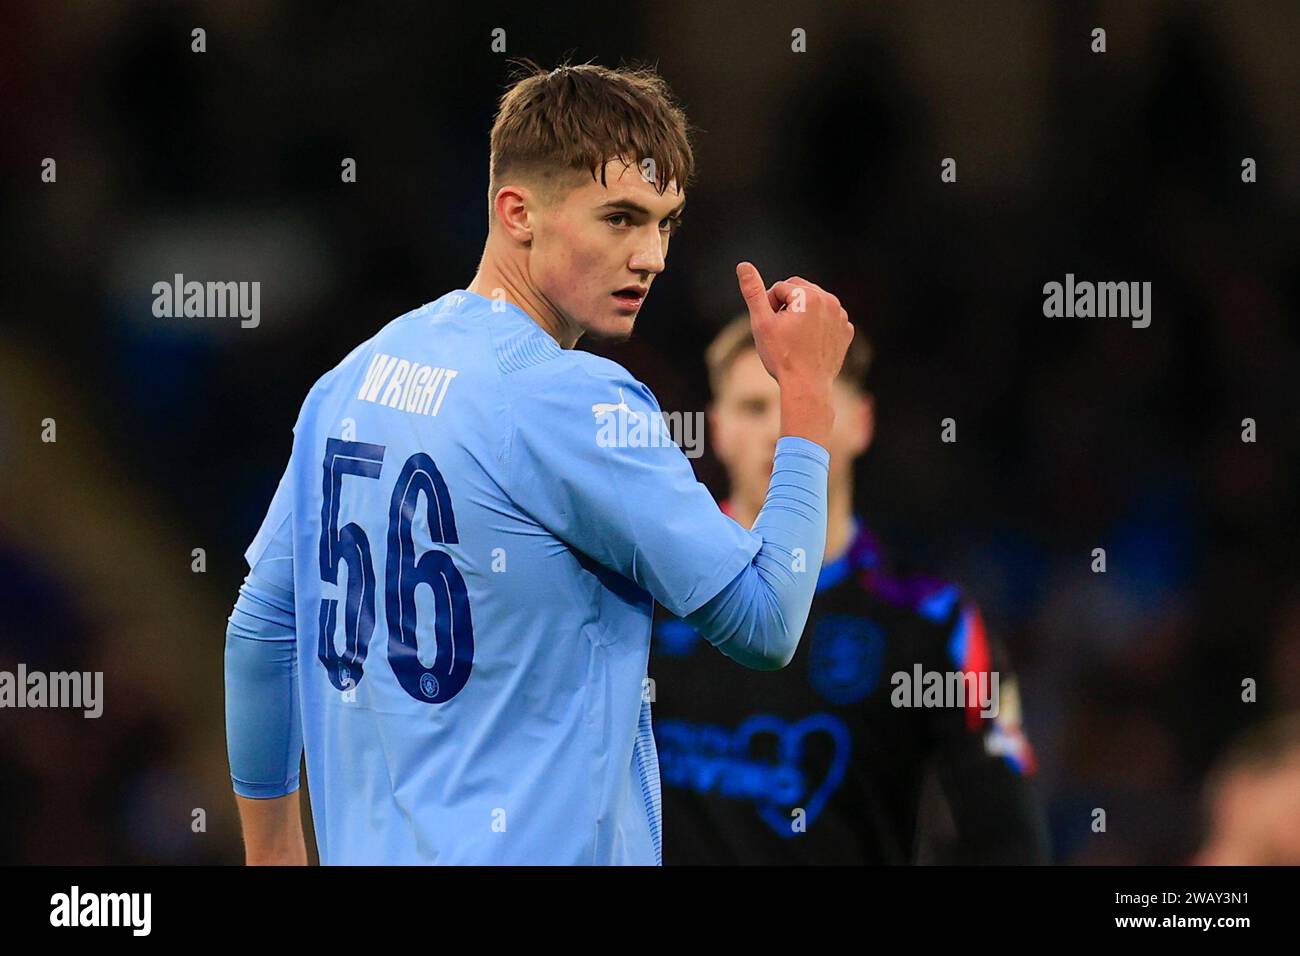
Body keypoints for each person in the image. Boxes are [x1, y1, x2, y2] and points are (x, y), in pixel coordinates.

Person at [223, 60, 854, 865]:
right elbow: (765, 620)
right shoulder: (575, 402)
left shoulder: (351, 381)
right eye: (620, 218)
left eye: (666, 222)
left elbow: (260, 631)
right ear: (517, 211)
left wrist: (272, 852)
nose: (652, 255)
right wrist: (804, 395)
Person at [650, 317, 1050, 863]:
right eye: (754, 407)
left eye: (805, 405)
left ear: (861, 422)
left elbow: (1009, 841)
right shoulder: (649, 587)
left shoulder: (931, 624)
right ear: (716, 427)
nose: (781, 431)